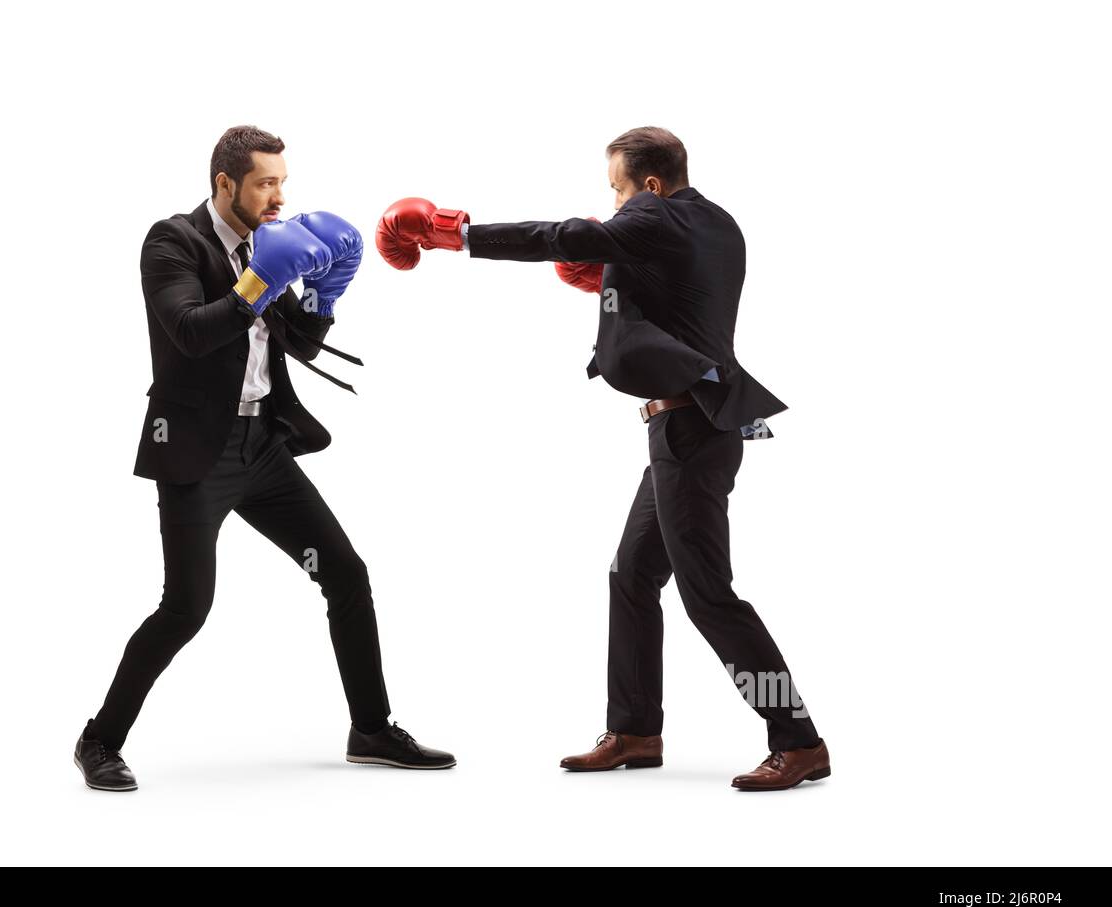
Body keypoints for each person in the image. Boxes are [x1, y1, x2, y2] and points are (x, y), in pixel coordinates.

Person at [374, 126, 827, 791]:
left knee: (709, 596)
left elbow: (561, 236)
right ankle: (635, 730)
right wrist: (622, 283)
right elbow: (681, 295)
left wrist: (455, 234)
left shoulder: (653, 214)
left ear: (647, 184)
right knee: (632, 573)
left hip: (689, 434)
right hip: (694, 430)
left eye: (616, 190)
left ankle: (799, 740)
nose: (613, 206)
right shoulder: (719, 225)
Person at [74, 125, 454, 791]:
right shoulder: (173, 241)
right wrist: (257, 280)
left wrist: (325, 294)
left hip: (263, 447)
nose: (278, 196)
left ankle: (371, 728)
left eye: (283, 182)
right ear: (225, 183)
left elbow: (297, 346)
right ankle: (99, 740)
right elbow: (190, 333)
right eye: (264, 183)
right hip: (196, 452)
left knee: (343, 572)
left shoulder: (266, 243)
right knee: (186, 607)